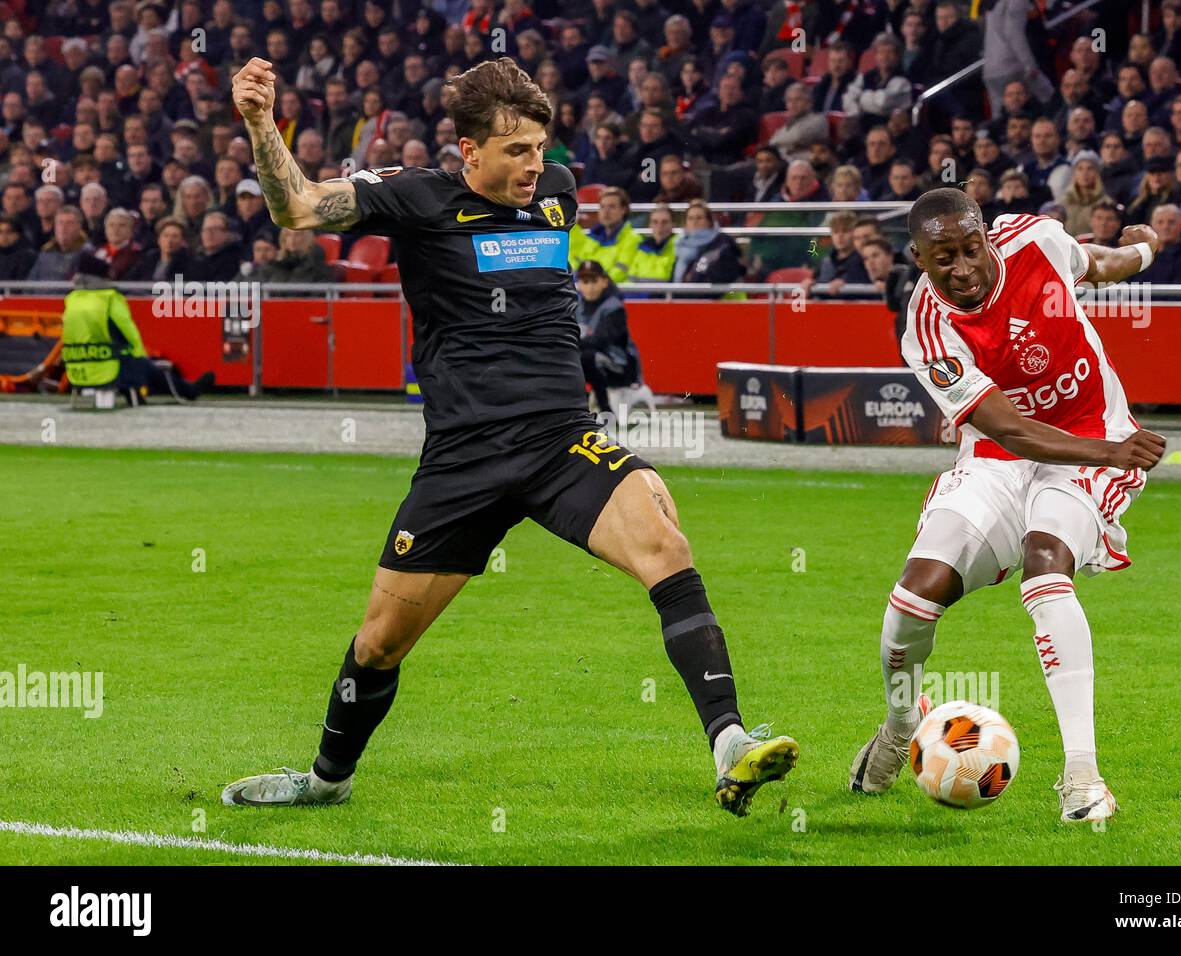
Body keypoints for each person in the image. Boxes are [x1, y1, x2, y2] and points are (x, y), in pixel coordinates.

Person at [220, 56, 798, 816]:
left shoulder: (555, 194)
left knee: (665, 540)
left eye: (540, 148)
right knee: (379, 644)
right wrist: (263, 124)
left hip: (562, 441)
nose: (536, 165)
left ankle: (729, 743)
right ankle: (327, 781)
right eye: (516, 150)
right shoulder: (416, 197)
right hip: (462, 459)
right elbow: (296, 209)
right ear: (470, 153)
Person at [849, 188, 1167, 824]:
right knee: (912, 598)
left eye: (971, 250)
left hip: (1087, 444)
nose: (962, 268)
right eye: (944, 258)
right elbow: (1011, 429)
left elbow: (1097, 264)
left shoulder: (1035, 241)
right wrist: (1113, 448)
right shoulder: (927, 328)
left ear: (987, 239)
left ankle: (1083, 777)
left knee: (1046, 569)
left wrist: (1145, 247)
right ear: (918, 258)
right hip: (1003, 457)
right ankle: (898, 723)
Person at [61, 250, 215, 401]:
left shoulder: (72, 300)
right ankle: (188, 391)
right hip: (108, 371)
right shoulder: (109, 298)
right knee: (145, 365)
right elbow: (129, 331)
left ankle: (140, 395)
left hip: (76, 373)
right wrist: (140, 355)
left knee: (133, 362)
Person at [575, 259, 640, 413]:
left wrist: (572, 344)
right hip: (592, 361)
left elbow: (600, 340)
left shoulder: (614, 307)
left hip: (620, 366)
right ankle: (578, 406)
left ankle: (605, 409)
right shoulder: (576, 306)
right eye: (585, 281)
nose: (589, 286)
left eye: (594, 281)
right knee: (575, 358)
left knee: (586, 357)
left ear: (604, 282)